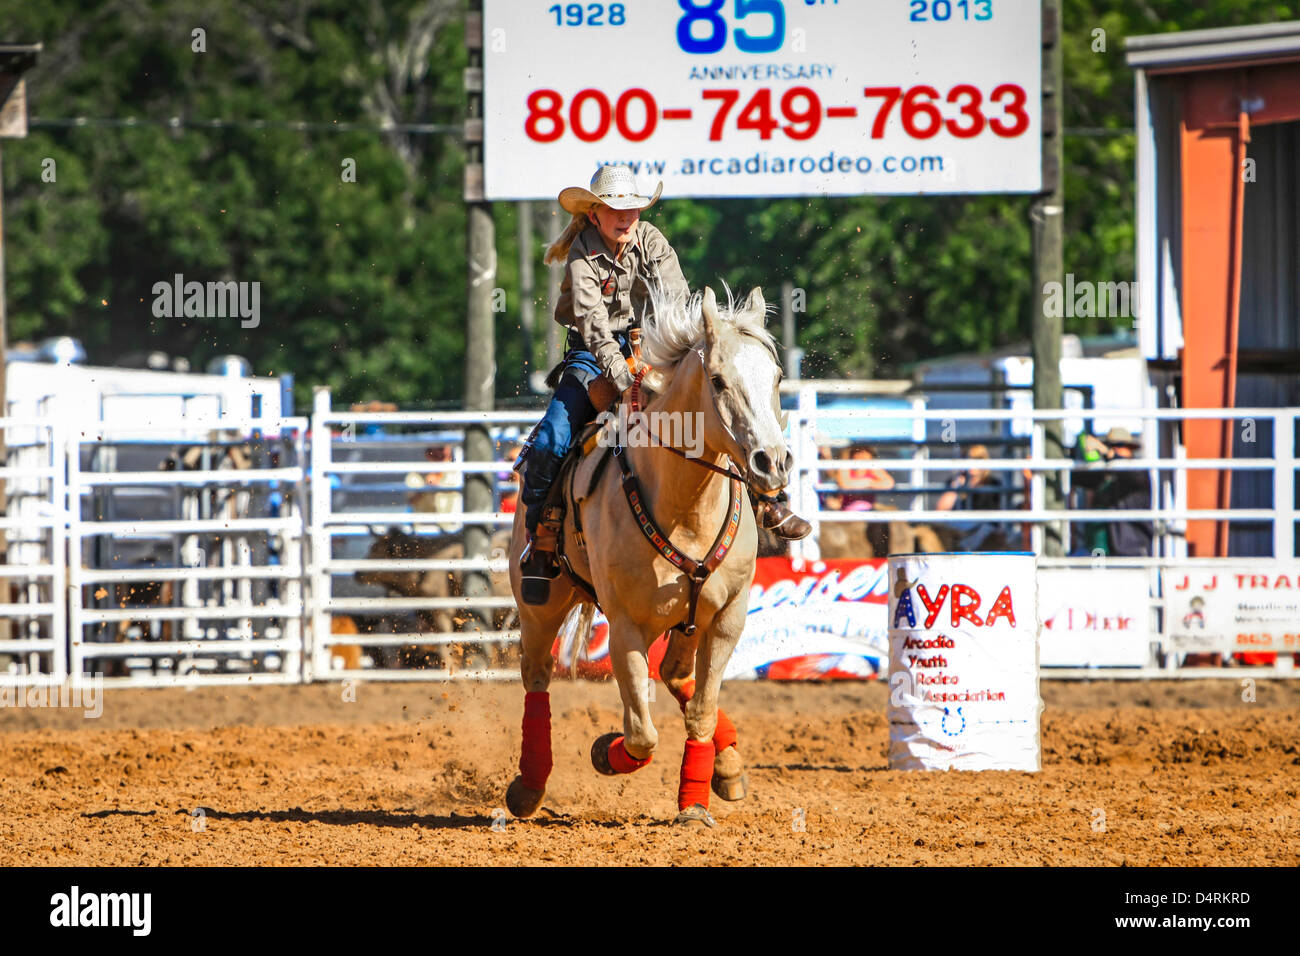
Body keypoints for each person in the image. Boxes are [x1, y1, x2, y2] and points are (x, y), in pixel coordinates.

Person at [517, 163, 810, 604]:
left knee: (712, 411)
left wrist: (657, 358)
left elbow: (675, 302)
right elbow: (594, 328)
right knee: (552, 439)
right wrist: (624, 375)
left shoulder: (652, 242)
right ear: (594, 212)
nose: (626, 215)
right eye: (616, 208)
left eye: (633, 207)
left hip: (651, 347)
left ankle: (769, 498)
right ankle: (541, 537)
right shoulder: (581, 254)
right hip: (591, 356)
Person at [1072, 427, 1153, 557]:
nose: (1115, 449)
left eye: (1119, 445)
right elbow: (1080, 479)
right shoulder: (1107, 475)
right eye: (1111, 446)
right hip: (1107, 553)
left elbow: (1124, 470)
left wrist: (1104, 450)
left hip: (1133, 551)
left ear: (1130, 449)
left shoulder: (1138, 472)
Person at [935, 444, 1007, 551]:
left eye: (976, 459)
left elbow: (994, 520)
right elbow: (940, 510)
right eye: (967, 459)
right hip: (958, 530)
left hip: (981, 533)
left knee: (985, 530)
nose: (972, 464)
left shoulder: (993, 484)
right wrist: (956, 486)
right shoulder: (955, 482)